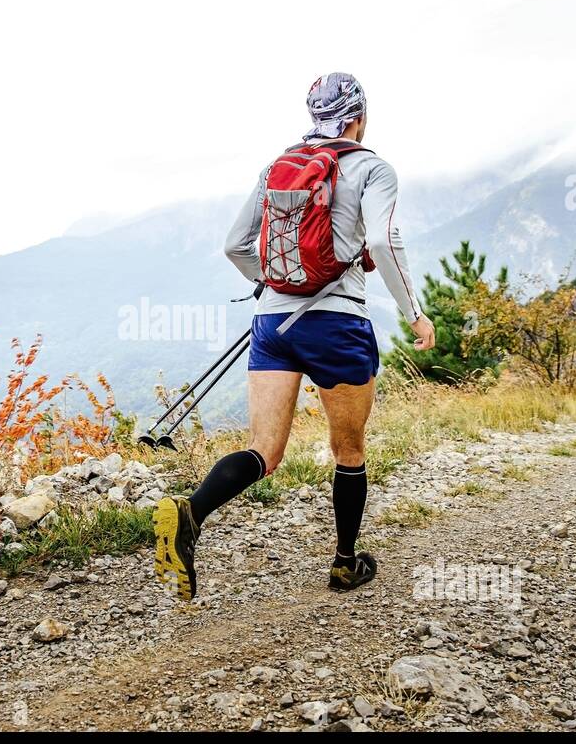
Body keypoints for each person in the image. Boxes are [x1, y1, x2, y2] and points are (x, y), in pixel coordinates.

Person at [153, 72, 434, 600]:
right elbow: (382, 238)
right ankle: (345, 564)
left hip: (272, 325)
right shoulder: (373, 168)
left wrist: (271, 286)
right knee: (348, 451)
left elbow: (236, 245)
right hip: (338, 325)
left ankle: (191, 512)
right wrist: (415, 312)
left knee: (263, 451)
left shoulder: (275, 169)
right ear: (359, 117)